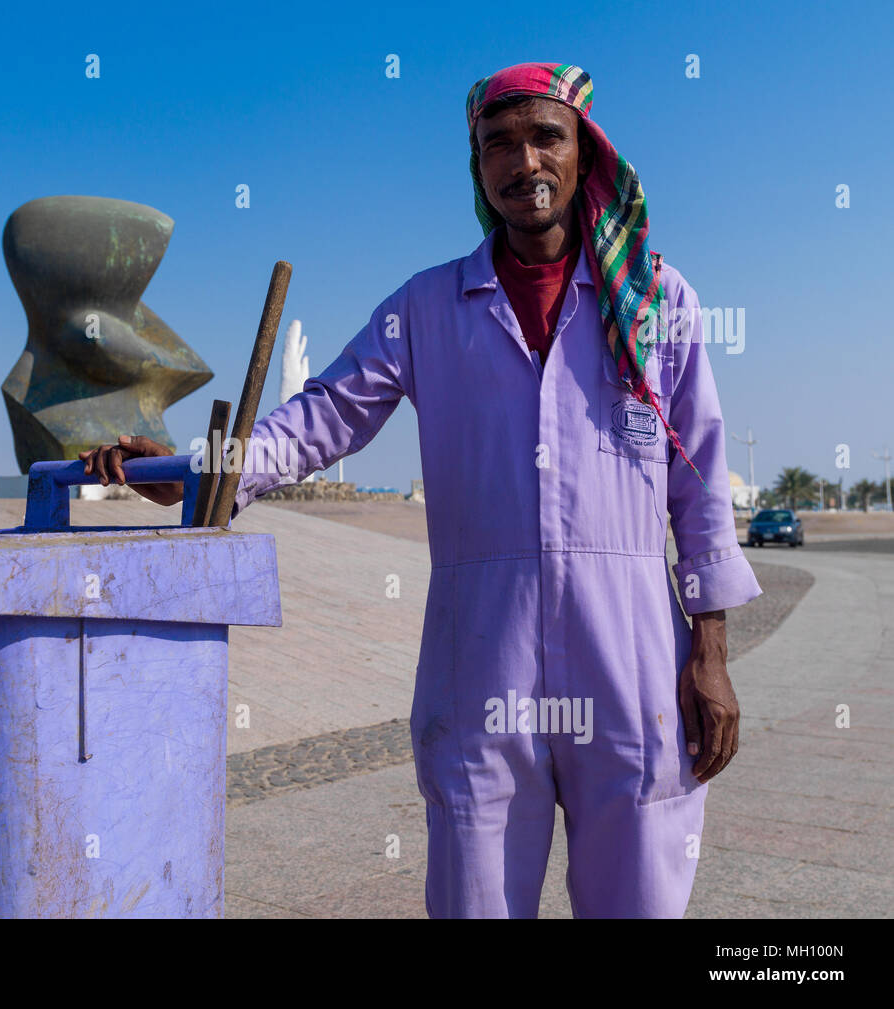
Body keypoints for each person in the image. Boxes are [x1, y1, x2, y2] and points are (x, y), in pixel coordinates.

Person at [80, 61, 761, 918]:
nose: (525, 163)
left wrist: (710, 656)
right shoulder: (429, 306)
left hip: (632, 663)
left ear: (585, 155)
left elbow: (698, 484)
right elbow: (322, 417)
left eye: (546, 138)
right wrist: (201, 469)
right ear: (478, 168)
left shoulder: (656, 301)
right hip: (481, 662)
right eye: (498, 145)